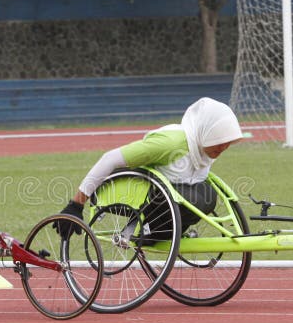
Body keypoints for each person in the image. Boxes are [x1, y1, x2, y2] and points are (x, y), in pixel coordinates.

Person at [57, 97, 245, 234]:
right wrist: (75, 204)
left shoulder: (204, 149)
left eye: (228, 142)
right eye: (219, 140)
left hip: (162, 194)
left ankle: (164, 234)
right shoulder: (170, 143)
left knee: (207, 195)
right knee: (190, 199)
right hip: (123, 188)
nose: (224, 147)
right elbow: (109, 159)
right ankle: (146, 232)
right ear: (205, 133)